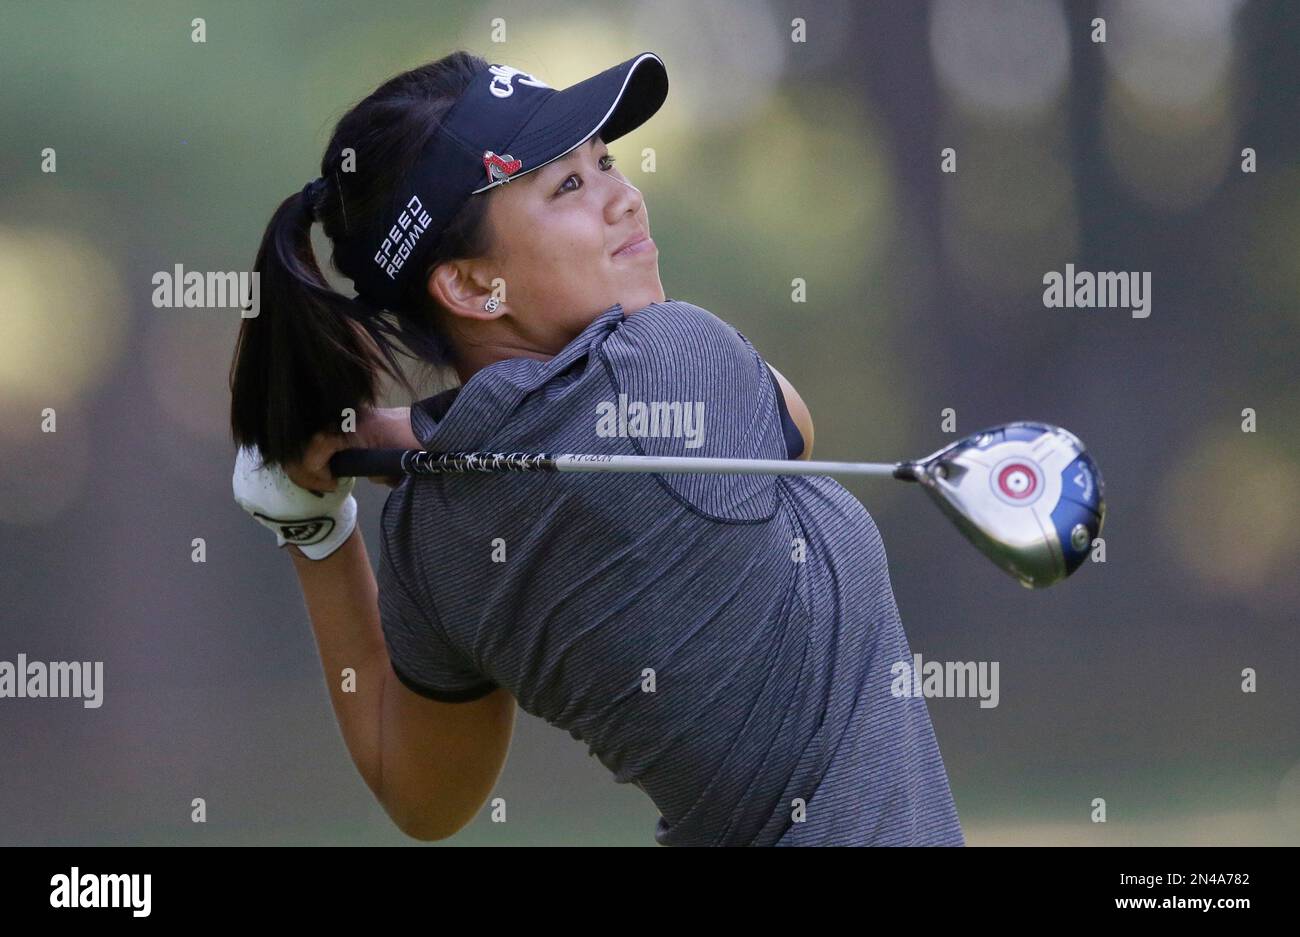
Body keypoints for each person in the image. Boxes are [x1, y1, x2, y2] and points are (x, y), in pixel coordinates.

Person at [229, 50, 964, 846]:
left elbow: (423, 798)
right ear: (474, 286)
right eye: (569, 186)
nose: (626, 199)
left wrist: (312, 527)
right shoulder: (673, 355)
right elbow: (794, 416)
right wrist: (387, 431)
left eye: (605, 162)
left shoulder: (427, 534)